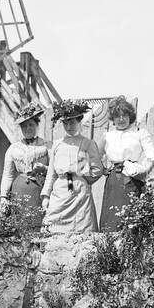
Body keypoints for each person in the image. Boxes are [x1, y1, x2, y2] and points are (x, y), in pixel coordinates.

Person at [42, 99, 104, 234]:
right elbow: (51, 173)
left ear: (79, 121)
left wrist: (82, 180)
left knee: (81, 230)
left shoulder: (88, 143)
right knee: (53, 227)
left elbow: (98, 169)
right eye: (65, 123)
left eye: (72, 122)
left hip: (80, 193)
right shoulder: (57, 144)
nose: (68, 126)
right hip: (60, 191)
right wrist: (46, 196)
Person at [99, 97, 154, 231]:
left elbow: (151, 156)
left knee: (131, 215)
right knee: (112, 214)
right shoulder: (108, 136)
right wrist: (102, 169)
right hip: (114, 179)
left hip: (132, 176)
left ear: (130, 117)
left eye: (124, 115)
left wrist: (143, 171)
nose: (121, 119)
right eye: (117, 116)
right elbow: (95, 154)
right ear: (112, 119)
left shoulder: (139, 133)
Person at [0, 100, 49, 227]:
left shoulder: (47, 146)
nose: (28, 129)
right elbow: (8, 175)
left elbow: (54, 172)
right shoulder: (13, 148)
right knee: (19, 225)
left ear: (37, 125)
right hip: (19, 190)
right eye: (24, 126)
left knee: (38, 225)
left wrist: (44, 168)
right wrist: (4, 197)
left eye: (31, 125)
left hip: (40, 190)